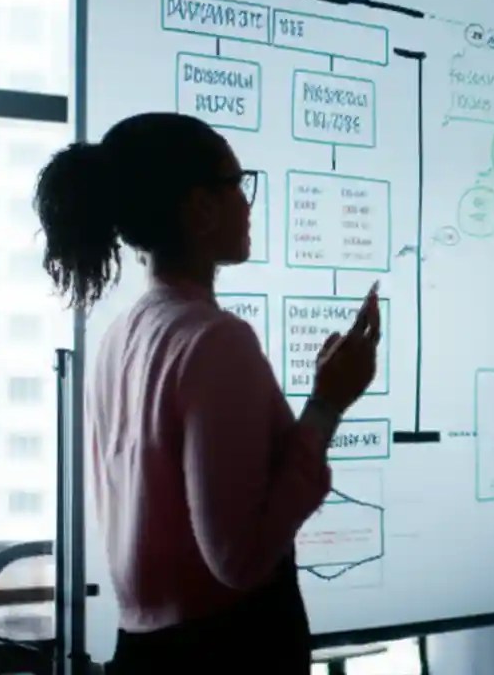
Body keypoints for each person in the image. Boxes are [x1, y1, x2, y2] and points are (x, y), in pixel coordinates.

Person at [34, 112, 381, 673]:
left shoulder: (119, 336)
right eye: (237, 184)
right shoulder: (215, 340)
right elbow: (238, 561)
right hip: (225, 654)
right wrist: (327, 405)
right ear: (199, 208)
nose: (247, 204)